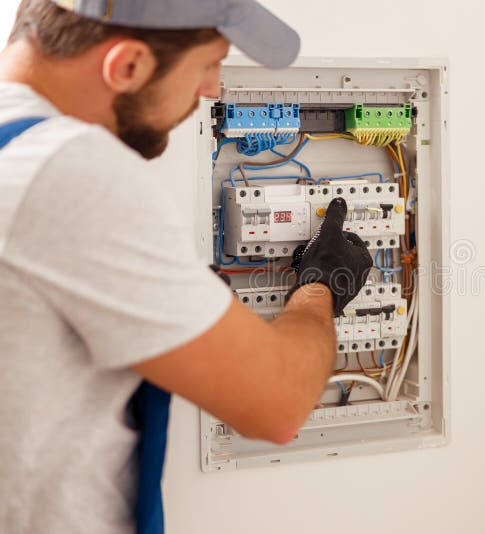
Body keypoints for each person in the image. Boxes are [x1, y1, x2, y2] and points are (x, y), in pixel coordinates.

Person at [0, 1, 373, 533]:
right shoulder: (65, 168)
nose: (213, 90)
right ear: (127, 66)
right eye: (209, 64)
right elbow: (279, 403)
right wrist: (322, 287)